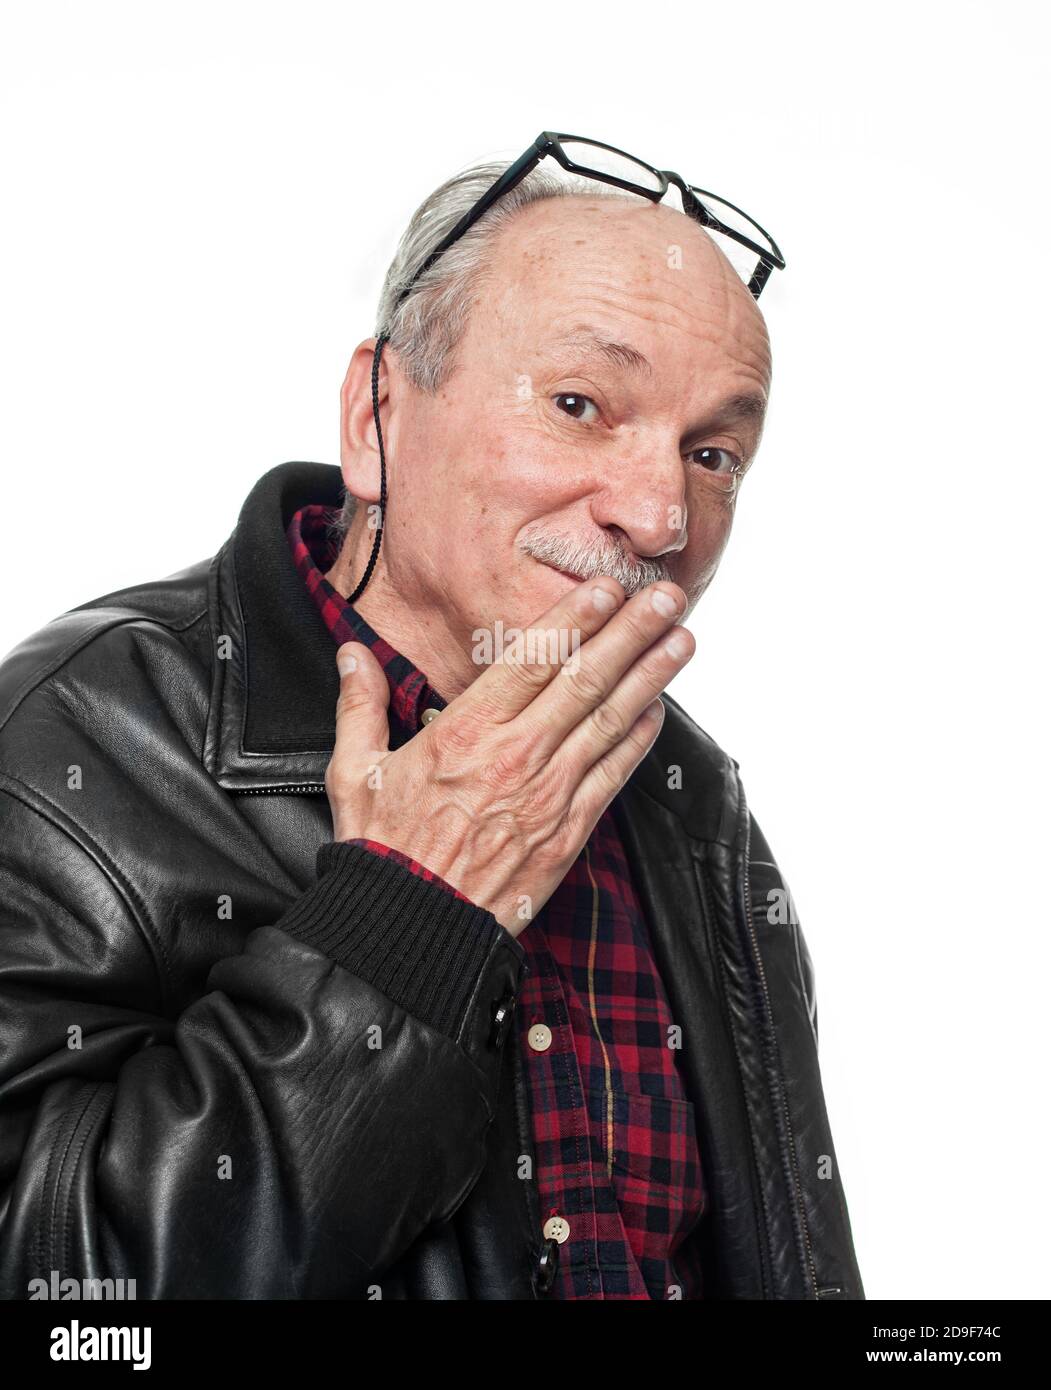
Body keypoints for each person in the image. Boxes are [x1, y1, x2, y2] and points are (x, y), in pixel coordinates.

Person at [0, 134, 863, 1300]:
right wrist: (406, 926)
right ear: (374, 412)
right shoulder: (86, 739)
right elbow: (63, 1297)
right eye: (578, 402)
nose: (662, 515)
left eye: (712, 453)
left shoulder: (685, 794)